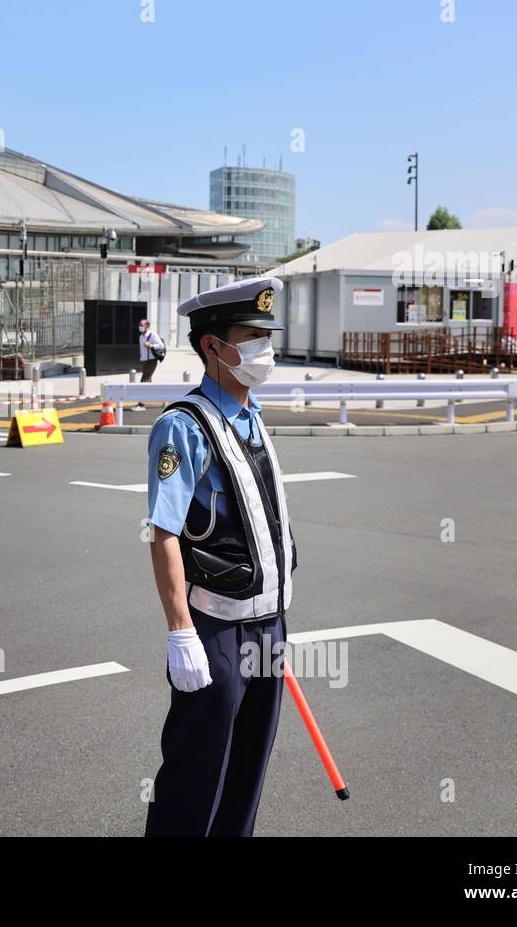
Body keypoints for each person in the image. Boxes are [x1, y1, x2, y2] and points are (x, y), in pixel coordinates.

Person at [143, 275, 298, 837]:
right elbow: (162, 534)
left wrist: (275, 625)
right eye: (251, 336)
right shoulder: (183, 427)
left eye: (266, 335)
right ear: (213, 346)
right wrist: (181, 632)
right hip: (217, 632)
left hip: (269, 627)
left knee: (246, 774)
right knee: (197, 774)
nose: (265, 348)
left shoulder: (252, 415)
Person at [132, 318, 165, 411]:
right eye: (139, 325)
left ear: (147, 326)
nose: (140, 326)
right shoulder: (141, 336)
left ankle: (141, 404)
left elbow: (161, 345)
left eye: (141, 325)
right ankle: (164, 398)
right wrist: (142, 359)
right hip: (145, 361)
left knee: (144, 380)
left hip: (152, 360)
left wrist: (151, 345)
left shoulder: (152, 334)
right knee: (149, 383)